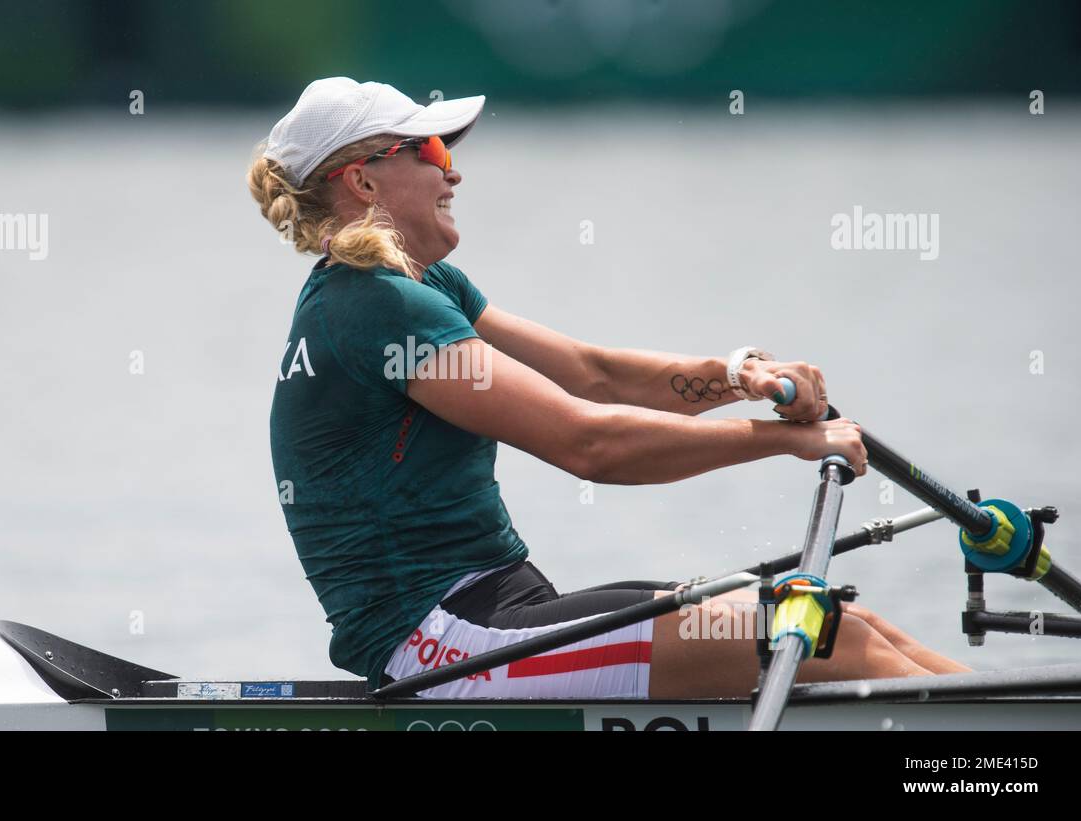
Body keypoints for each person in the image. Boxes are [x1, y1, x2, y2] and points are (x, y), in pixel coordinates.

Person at [248, 77, 970, 699]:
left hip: (500, 608)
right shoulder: (375, 308)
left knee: (851, 625)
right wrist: (791, 441)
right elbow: (587, 443)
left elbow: (594, 373)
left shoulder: (421, 286)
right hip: (442, 648)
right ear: (363, 182)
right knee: (819, 637)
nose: (454, 174)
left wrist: (744, 375)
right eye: (432, 151)